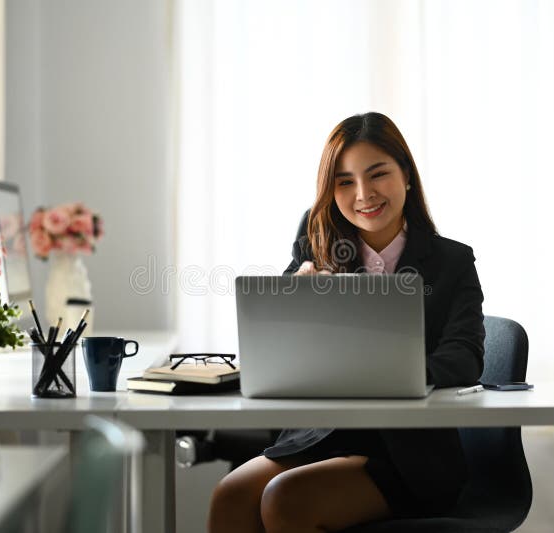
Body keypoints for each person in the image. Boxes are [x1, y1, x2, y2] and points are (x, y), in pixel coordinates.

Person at [207, 112, 485, 533]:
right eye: (345, 181)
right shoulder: (314, 246)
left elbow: (465, 356)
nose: (363, 194)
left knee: (286, 500)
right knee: (230, 496)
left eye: (378, 175)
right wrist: (296, 300)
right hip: (323, 437)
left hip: (407, 454)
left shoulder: (452, 261)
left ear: (406, 176)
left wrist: (392, 373)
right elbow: (273, 349)